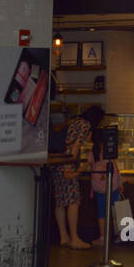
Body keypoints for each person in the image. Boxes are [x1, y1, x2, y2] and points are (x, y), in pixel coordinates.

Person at [50, 105, 104, 250]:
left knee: (61, 200)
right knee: (73, 200)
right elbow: (76, 146)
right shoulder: (85, 125)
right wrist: (71, 165)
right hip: (67, 163)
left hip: (56, 161)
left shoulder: (74, 121)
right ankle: (74, 238)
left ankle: (64, 237)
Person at [90, 134, 123, 246]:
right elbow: (116, 169)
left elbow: (87, 165)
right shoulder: (109, 152)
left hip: (99, 188)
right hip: (112, 185)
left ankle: (103, 238)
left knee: (101, 213)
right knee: (116, 210)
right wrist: (120, 183)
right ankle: (120, 235)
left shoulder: (93, 153)